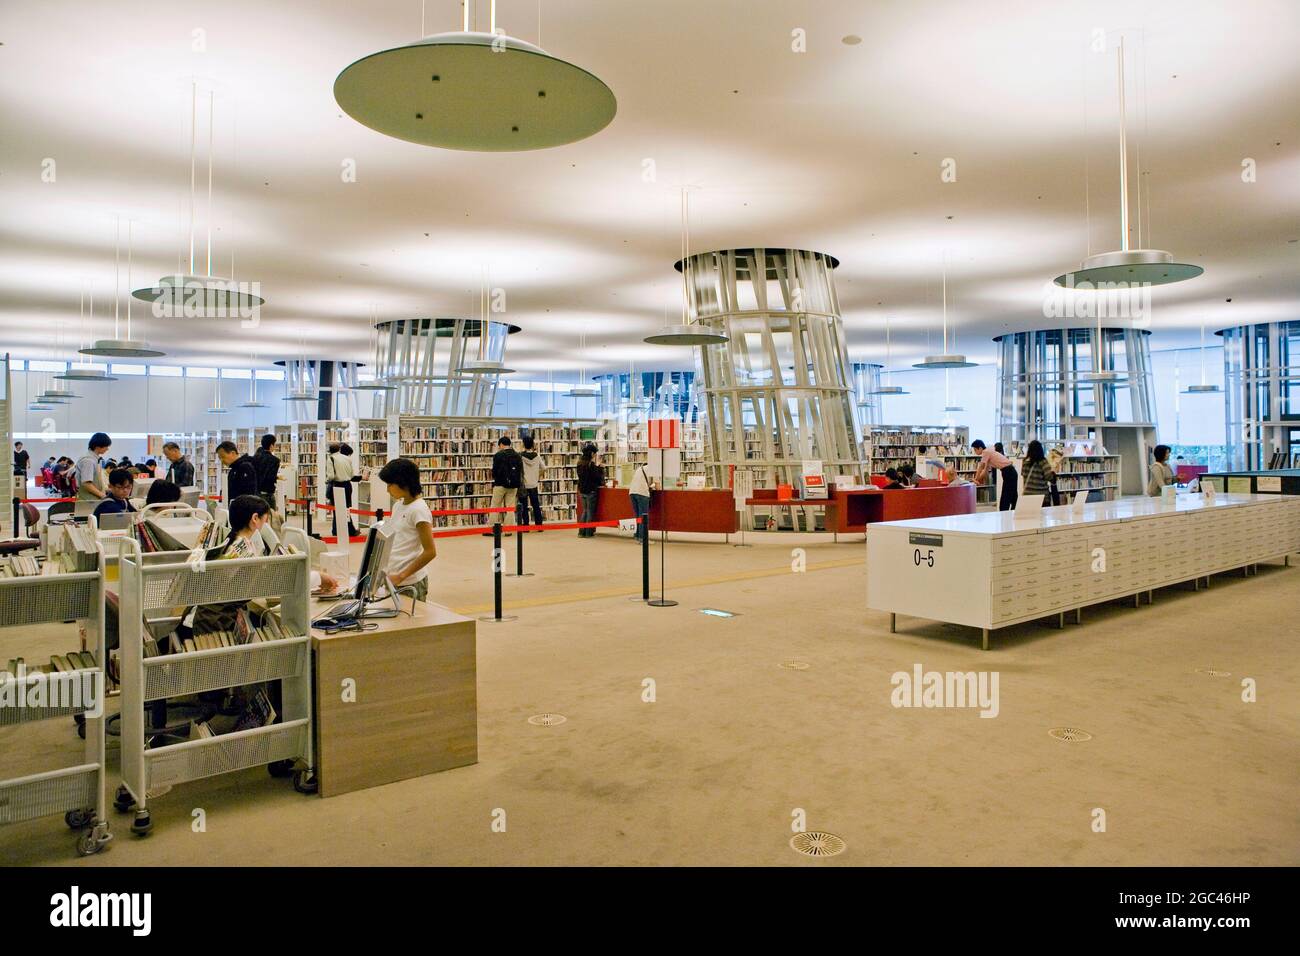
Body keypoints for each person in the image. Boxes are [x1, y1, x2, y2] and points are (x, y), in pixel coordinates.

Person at [377, 458, 437, 603]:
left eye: (390, 484)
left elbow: (430, 552)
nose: (387, 489)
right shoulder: (398, 506)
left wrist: (401, 575)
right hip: (392, 579)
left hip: (410, 582)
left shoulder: (419, 510)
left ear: (404, 482)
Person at [324, 440, 358, 538]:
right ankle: (348, 529)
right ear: (339, 449)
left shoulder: (331, 458)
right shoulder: (347, 458)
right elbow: (352, 475)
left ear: (330, 451)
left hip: (337, 486)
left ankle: (338, 530)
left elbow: (330, 476)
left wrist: (326, 480)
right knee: (346, 508)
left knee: (337, 509)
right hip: (348, 486)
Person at [973, 439, 1018, 511]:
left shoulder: (986, 452)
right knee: (1012, 494)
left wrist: (975, 479)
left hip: (1008, 471)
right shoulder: (988, 452)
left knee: (1006, 495)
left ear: (980, 448)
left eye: (975, 450)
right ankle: (1012, 511)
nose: (975, 452)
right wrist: (977, 480)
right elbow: (985, 471)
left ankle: (1004, 513)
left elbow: (980, 467)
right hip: (1010, 471)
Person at [490, 436, 522, 533]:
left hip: (500, 484)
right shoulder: (517, 455)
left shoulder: (498, 455)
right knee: (510, 507)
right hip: (513, 485)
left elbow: (494, 471)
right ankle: (509, 530)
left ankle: (493, 529)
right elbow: (520, 470)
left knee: (495, 506)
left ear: (501, 444)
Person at [575, 443, 604, 538]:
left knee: (585, 511)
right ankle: (588, 533)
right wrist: (600, 468)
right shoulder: (590, 465)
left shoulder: (579, 463)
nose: (595, 456)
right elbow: (597, 478)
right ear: (592, 454)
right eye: (595, 454)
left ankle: (581, 532)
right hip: (591, 491)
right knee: (590, 512)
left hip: (582, 490)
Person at [75, 432, 112, 501]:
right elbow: (86, 484)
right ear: (98, 447)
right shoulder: (88, 460)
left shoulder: (94, 459)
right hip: (89, 501)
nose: (107, 449)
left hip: (92, 499)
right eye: (106, 446)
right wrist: (103, 496)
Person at [516, 434, 544, 528]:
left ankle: (526, 526)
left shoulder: (520, 456)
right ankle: (539, 525)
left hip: (524, 484)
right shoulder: (537, 456)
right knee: (536, 505)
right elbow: (544, 468)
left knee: (524, 506)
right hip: (534, 484)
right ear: (532, 444)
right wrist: (537, 476)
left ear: (524, 444)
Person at [1020, 440, 1056, 506]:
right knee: (1042, 515)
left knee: (1031, 515)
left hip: (1028, 496)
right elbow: (1048, 477)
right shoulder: (1043, 461)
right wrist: (1053, 472)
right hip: (1041, 496)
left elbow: (1023, 475)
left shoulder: (1025, 461)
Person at [253, 434, 281, 511]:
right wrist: (277, 477)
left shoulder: (255, 457)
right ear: (271, 445)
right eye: (274, 444)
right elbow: (270, 478)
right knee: (271, 518)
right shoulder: (274, 460)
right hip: (267, 495)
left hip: (255, 493)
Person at [628, 459, 654, 541]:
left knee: (638, 516)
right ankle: (643, 539)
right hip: (642, 493)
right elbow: (658, 486)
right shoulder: (654, 469)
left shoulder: (640, 468)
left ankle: (637, 536)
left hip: (632, 492)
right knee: (643, 517)